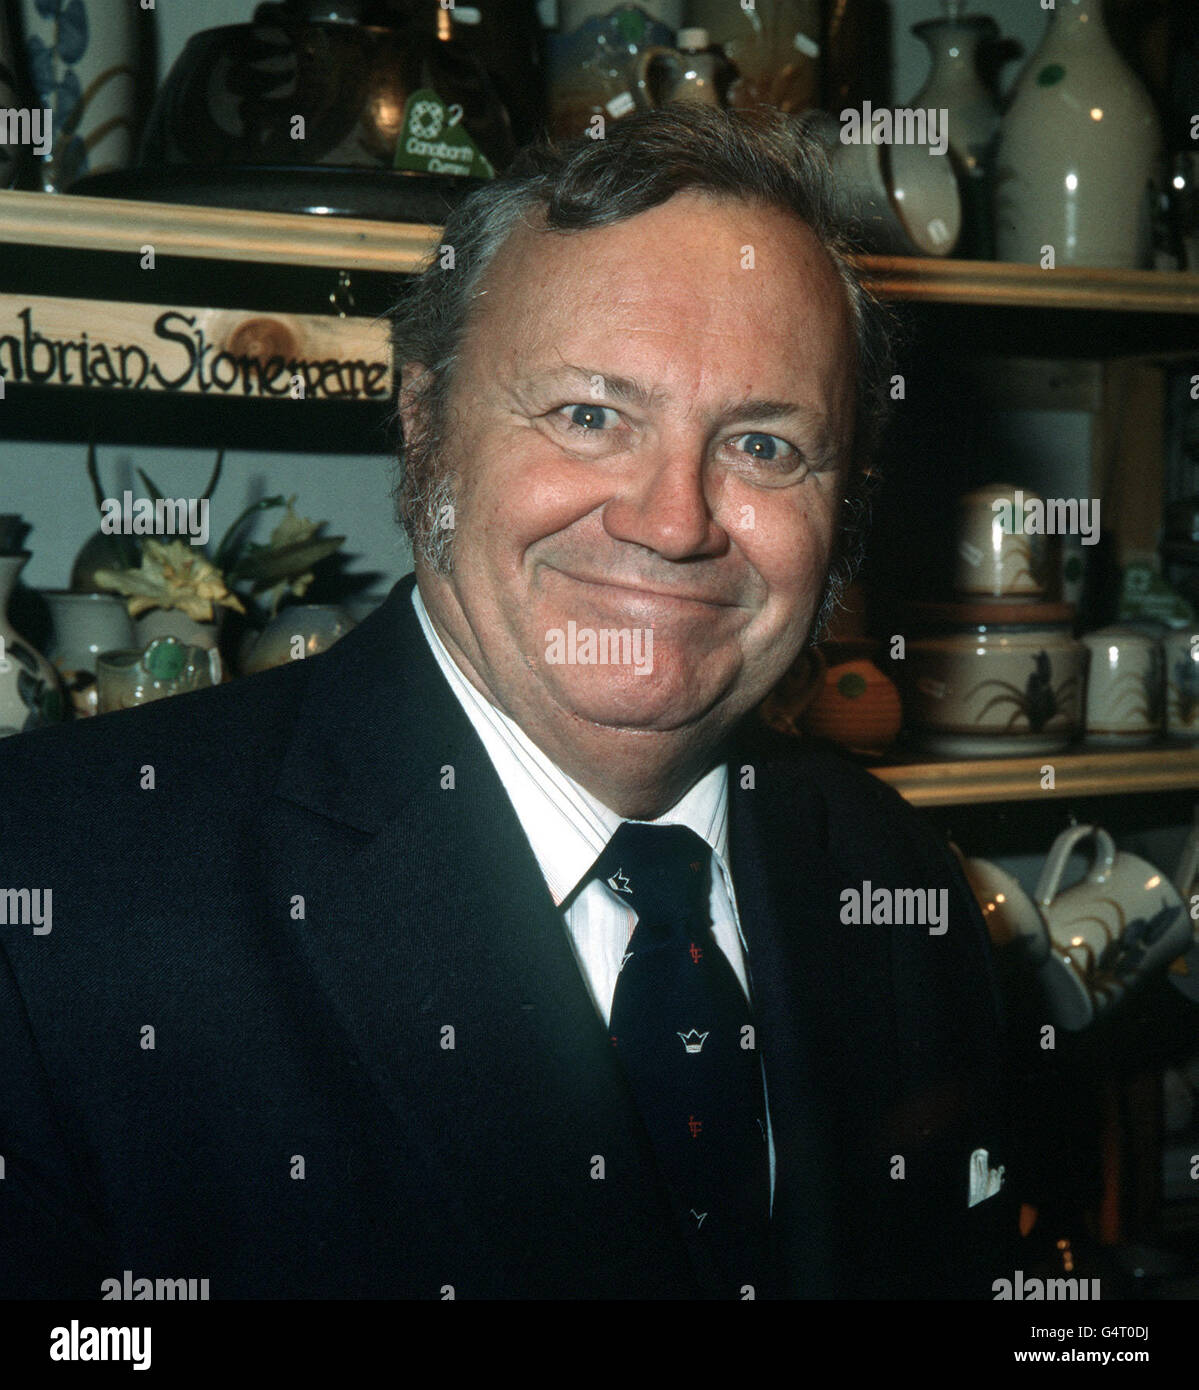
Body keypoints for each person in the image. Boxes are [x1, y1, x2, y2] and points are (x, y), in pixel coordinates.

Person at [0, 105, 1016, 1301]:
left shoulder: (896, 882)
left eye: (762, 446)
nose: (674, 519)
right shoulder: (58, 893)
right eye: (591, 416)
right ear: (422, 424)